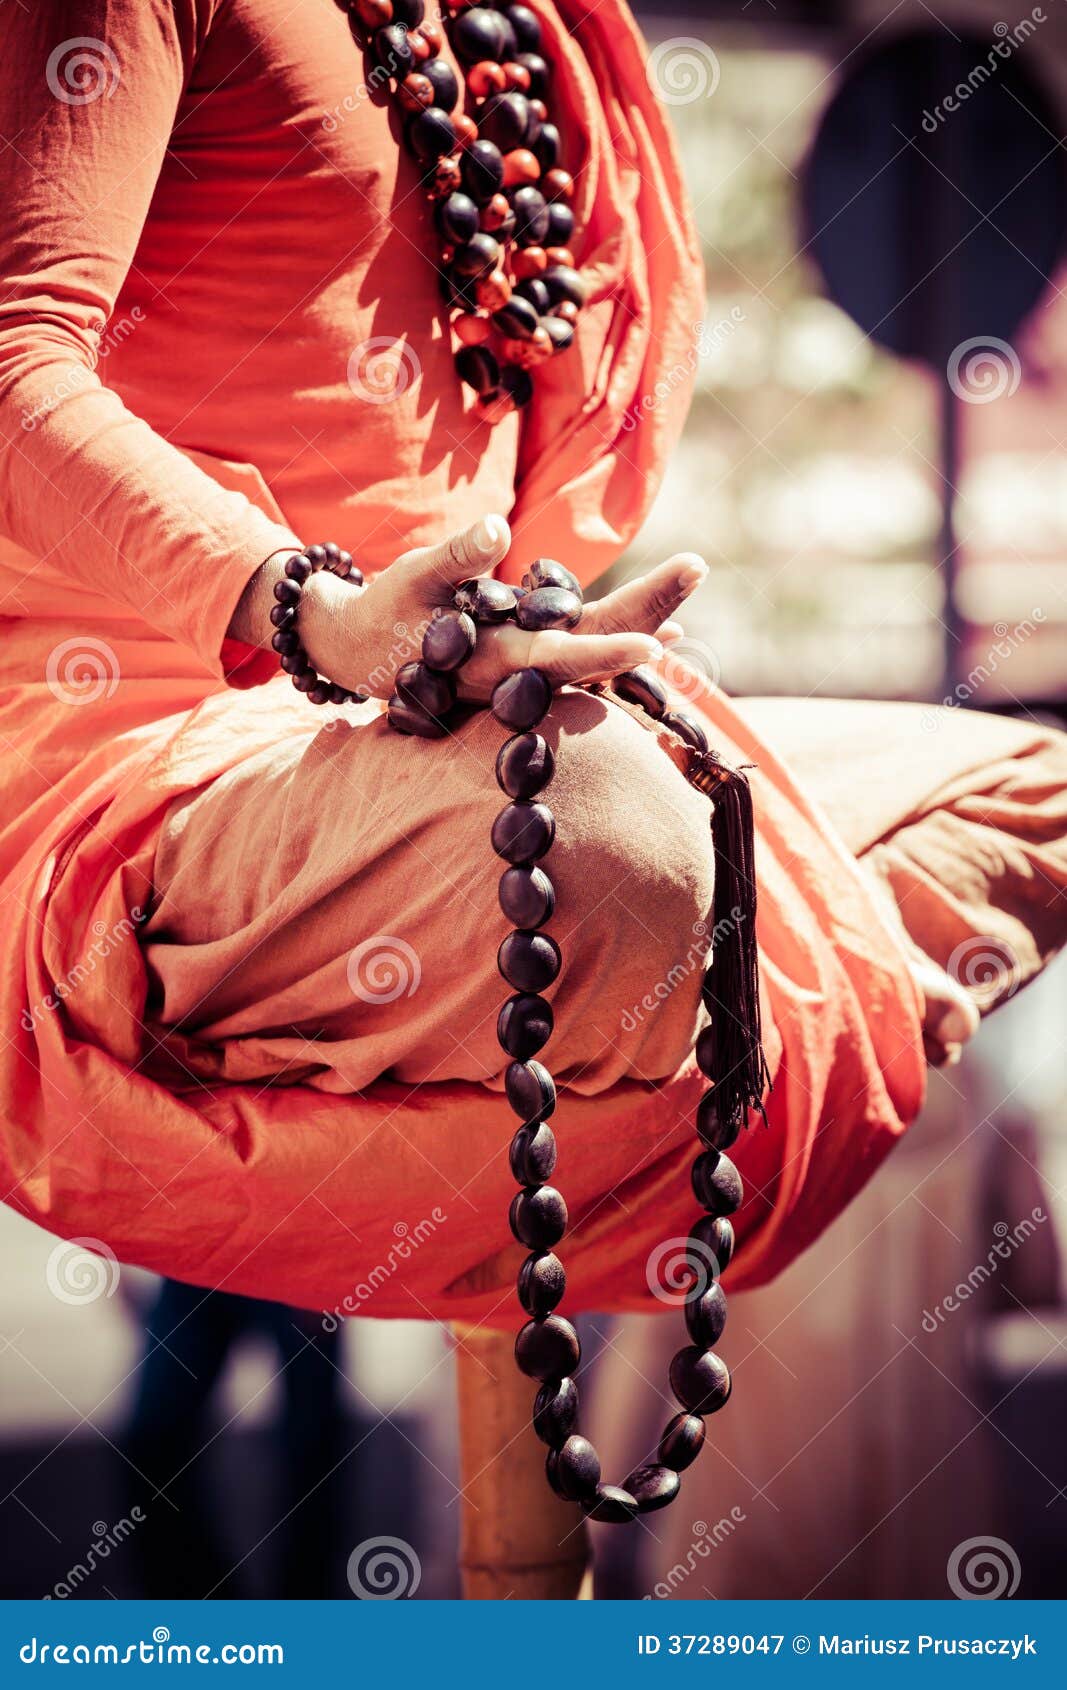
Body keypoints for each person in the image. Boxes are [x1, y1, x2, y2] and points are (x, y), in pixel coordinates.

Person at [1, 0, 1065, 1336]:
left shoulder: (514, 24)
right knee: (608, 836)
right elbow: (11, 360)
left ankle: (679, 1069)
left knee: (1034, 799)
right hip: (157, 781)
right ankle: (706, 1039)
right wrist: (311, 614)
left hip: (465, 753)